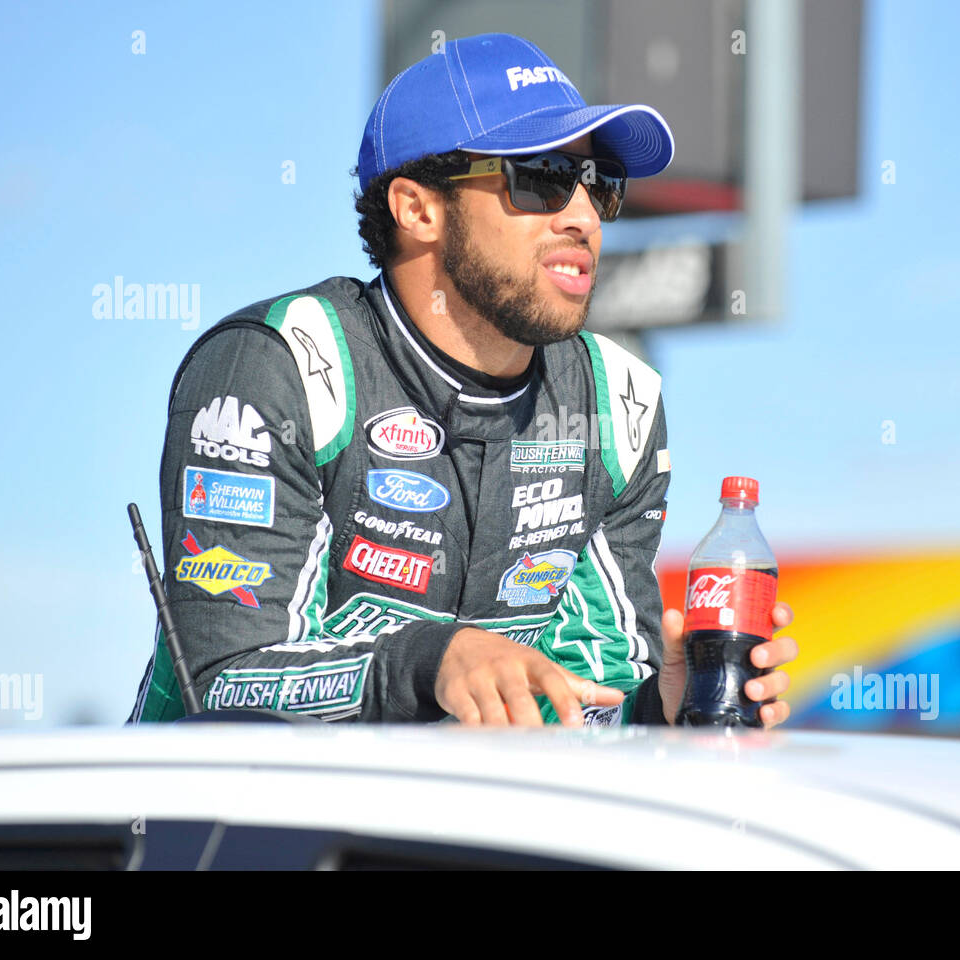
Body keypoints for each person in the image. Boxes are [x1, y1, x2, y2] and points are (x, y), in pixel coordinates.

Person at [129, 32, 798, 727]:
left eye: (600, 185)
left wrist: (661, 707)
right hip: (226, 829)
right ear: (417, 208)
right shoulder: (280, 366)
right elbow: (222, 683)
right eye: (540, 176)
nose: (584, 216)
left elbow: (590, 691)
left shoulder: (618, 402)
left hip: (444, 830)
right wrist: (430, 661)